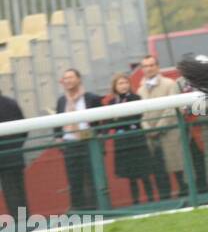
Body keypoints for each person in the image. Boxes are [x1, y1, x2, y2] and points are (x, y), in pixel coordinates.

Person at [138, 54, 185, 199]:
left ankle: (187, 196)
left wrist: (159, 127)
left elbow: (172, 109)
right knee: (159, 171)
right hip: (151, 137)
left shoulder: (169, 84)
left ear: (157, 67)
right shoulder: (140, 90)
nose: (149, 68)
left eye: (152, 65)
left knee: (178, 168)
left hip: (170, 133)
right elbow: (140, 113)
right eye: (145, 66)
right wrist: (148, 129)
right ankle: (166, 199)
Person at [55, 68, 102, 212]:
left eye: (70, 77)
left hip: (88, 142)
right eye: (65, 78)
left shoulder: (91, 98)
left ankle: (98, 208)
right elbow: (57, 122)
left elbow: (101, 121)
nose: (67, 81)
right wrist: (58, 137)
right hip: (70, 145)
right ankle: (79, 210)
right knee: (74, 179)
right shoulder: (62, 100)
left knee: (92, 177)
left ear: (78, 79)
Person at [103, 73, 153, 205]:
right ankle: (136, 202)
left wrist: (118, 119)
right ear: (115, 86)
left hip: (137, 139)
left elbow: (136, 116)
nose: (124, 86)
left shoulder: (136, 98)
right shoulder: (111, 103)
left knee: (144, 173)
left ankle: (151, 200)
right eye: (120, 83)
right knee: (131, 176)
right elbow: (108, 122)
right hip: (122, 142)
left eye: (125, 83)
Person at [0, 91, 28, 216]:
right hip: (12, 156)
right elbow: (23, 130)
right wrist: (15, 147)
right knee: (16, 196)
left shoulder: (9, 103)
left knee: (15, 196)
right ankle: (23, 226)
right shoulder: (11, 103)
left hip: (9, 157)